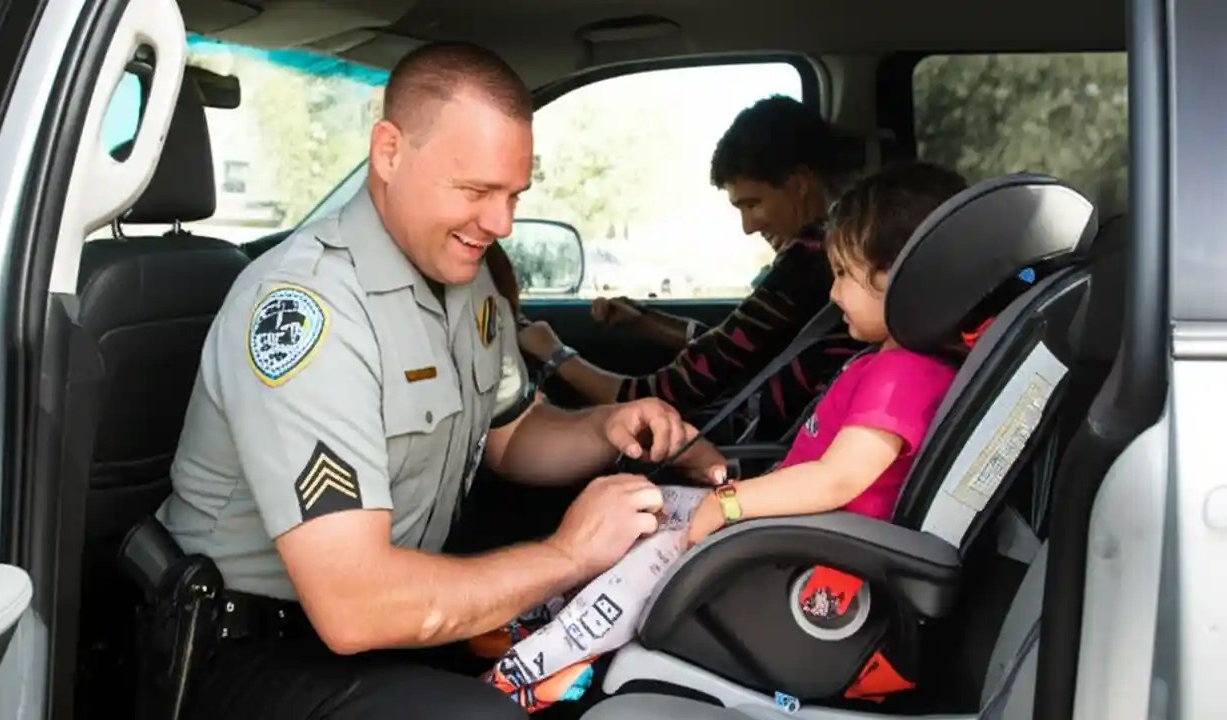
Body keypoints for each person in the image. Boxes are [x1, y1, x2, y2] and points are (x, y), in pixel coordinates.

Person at [155, 41, 722, 720]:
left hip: (394, 625)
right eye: (476, 190)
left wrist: (606, 430)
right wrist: (568, 555)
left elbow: (509, 434)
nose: (501, 222)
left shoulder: (467, 279)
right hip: (254, 652)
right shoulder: (307, 310)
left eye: (513, 195)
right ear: (389, 152)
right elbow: (355, 606)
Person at [480, 161, 970, 713]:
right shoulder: (885, 360)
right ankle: (539, 619)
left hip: (813, 561)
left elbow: (836, 480)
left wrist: (731, 503)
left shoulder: (902, 374)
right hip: (797, 533)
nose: (832, 294)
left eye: (845, 276)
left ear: (908, 280)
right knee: (642, 503)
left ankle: (538, 667)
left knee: (662, 548)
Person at [518, 96, 864, 440]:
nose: (747, 226)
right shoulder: (833, 258)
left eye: (753, 203)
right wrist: (646, 322)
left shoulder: (806, 266)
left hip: (750, 454)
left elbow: (659, 395)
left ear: (799, 183)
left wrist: (553, 352)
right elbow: (739, 351)